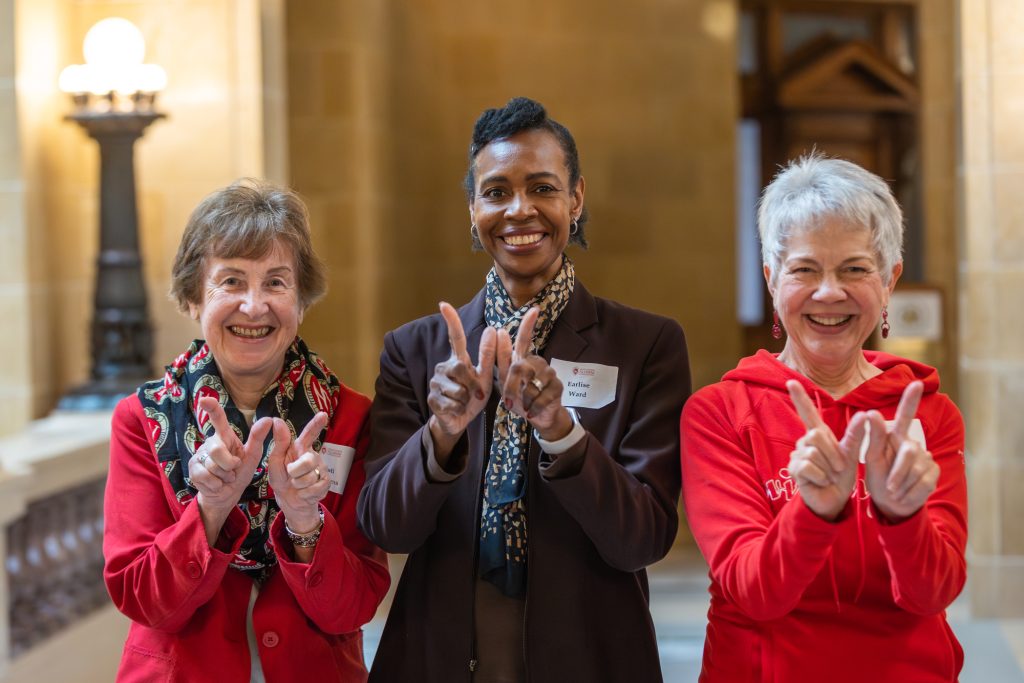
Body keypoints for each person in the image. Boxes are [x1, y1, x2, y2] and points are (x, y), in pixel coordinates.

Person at [357, 97, 691, 682]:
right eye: (496, 192)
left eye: (542, 188)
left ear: (576, 199)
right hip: (440, 651)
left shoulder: (646, 345)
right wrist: (441, 435)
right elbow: (387, 528)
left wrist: (563, 435)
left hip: (589, 651)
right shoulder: (415, 352)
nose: (520, 210)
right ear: (472, 208)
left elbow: (642, 538)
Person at [681, 153, 967, 682]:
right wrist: (815, 511)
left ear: (889, 281)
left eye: (855, 269)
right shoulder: (719, 414)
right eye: (805, 269)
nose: (829, 291)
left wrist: (902, 517)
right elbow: (755, 593)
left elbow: (937, 591)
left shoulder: (929, 412)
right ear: (772, 280)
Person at [103, 179, 390, 682]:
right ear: (194, 297)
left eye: (276, 283)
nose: (254, 307)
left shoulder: (350, 418)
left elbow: (353, 608)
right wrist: (210, 510)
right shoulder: (143, 420)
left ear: (301, 302)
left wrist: (305, 521)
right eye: (231, 281)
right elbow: (145, 602)